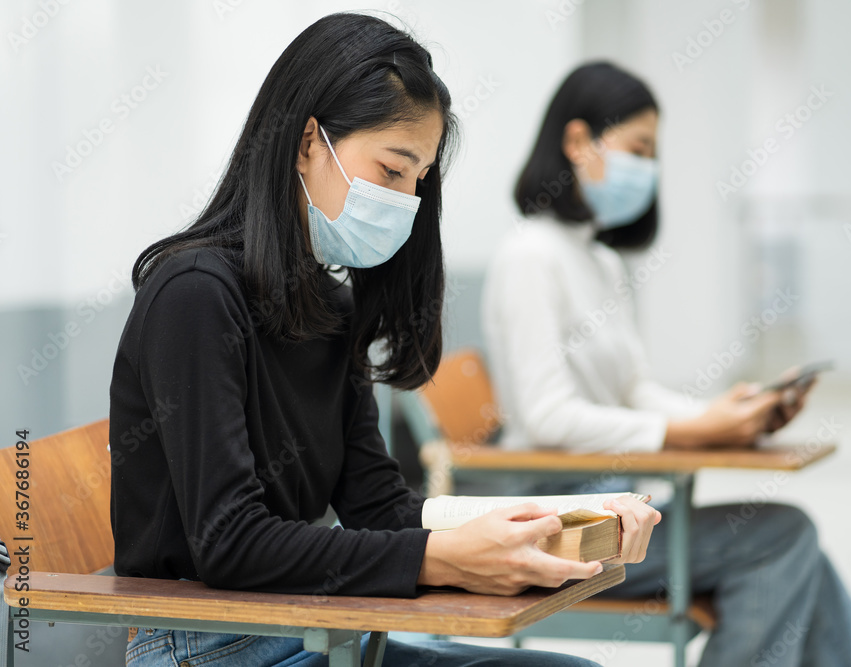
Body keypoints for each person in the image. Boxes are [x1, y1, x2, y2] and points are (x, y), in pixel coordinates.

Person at [108, 19, 659, 667]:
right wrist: (439, 557)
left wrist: (569, 514)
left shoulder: (328, 304)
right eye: (393, 171)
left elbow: (380, 508)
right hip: (212, 643)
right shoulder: (195, 293)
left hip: (316, 622)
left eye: (419, 180)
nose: (407, 201)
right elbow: (231, 541)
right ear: (308, 141)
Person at [481, 62, 851, 666]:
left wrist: (728, 414)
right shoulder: (529, 258)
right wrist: (690, 432)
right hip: (563, 519)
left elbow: (634, 389)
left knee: (800, 555)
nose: (648, 168)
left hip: (619, 506)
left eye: (653, 153)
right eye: (638, 149)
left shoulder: (600, 261)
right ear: (576, 142)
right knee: (784, 538)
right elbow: (545, 418)